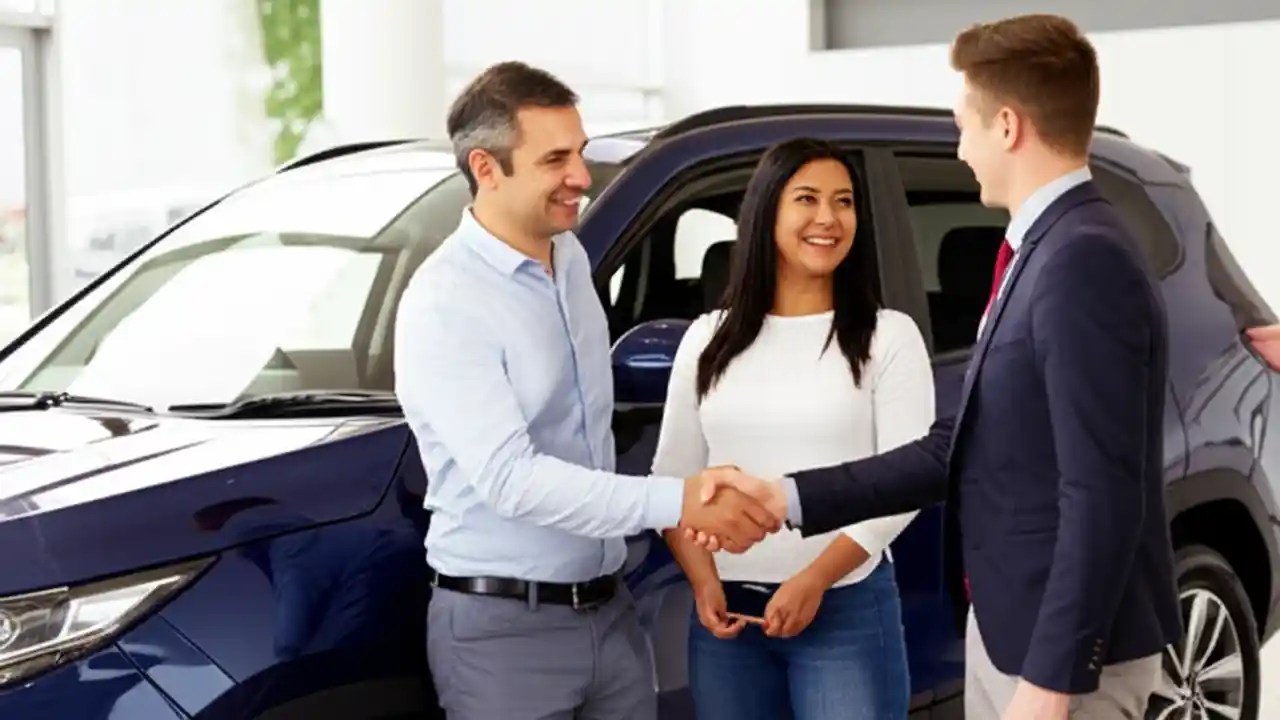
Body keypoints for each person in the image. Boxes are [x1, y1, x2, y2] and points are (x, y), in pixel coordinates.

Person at [689, 14, 1182, 720]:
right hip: (1012, 629)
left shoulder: (1081, 260)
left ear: (1007, 126)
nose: (961, 148)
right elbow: (965, 443)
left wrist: (1052, 680)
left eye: (965, 126)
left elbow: (1102, 492)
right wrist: (785, 497)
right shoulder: (1042, 251)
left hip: (1054, 660)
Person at [392, 61, 779, 720]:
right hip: (506, 636)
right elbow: (512, 479)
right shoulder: (445, 302)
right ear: (486, 169)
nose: (581, 176)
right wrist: (681, 501)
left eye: (580, 152)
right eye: (555, 159)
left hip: (610, 613)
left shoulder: (568, 259)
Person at [651, 138, 935, 719]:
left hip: (845, 610)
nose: (829, 218)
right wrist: (704, 582)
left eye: (844, 202)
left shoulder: (888, 337)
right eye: (807, 198)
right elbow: (671, 479)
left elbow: (906, 484)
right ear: (766, 213)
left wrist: (812, 580)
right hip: (728, 621)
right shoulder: (707, 339)